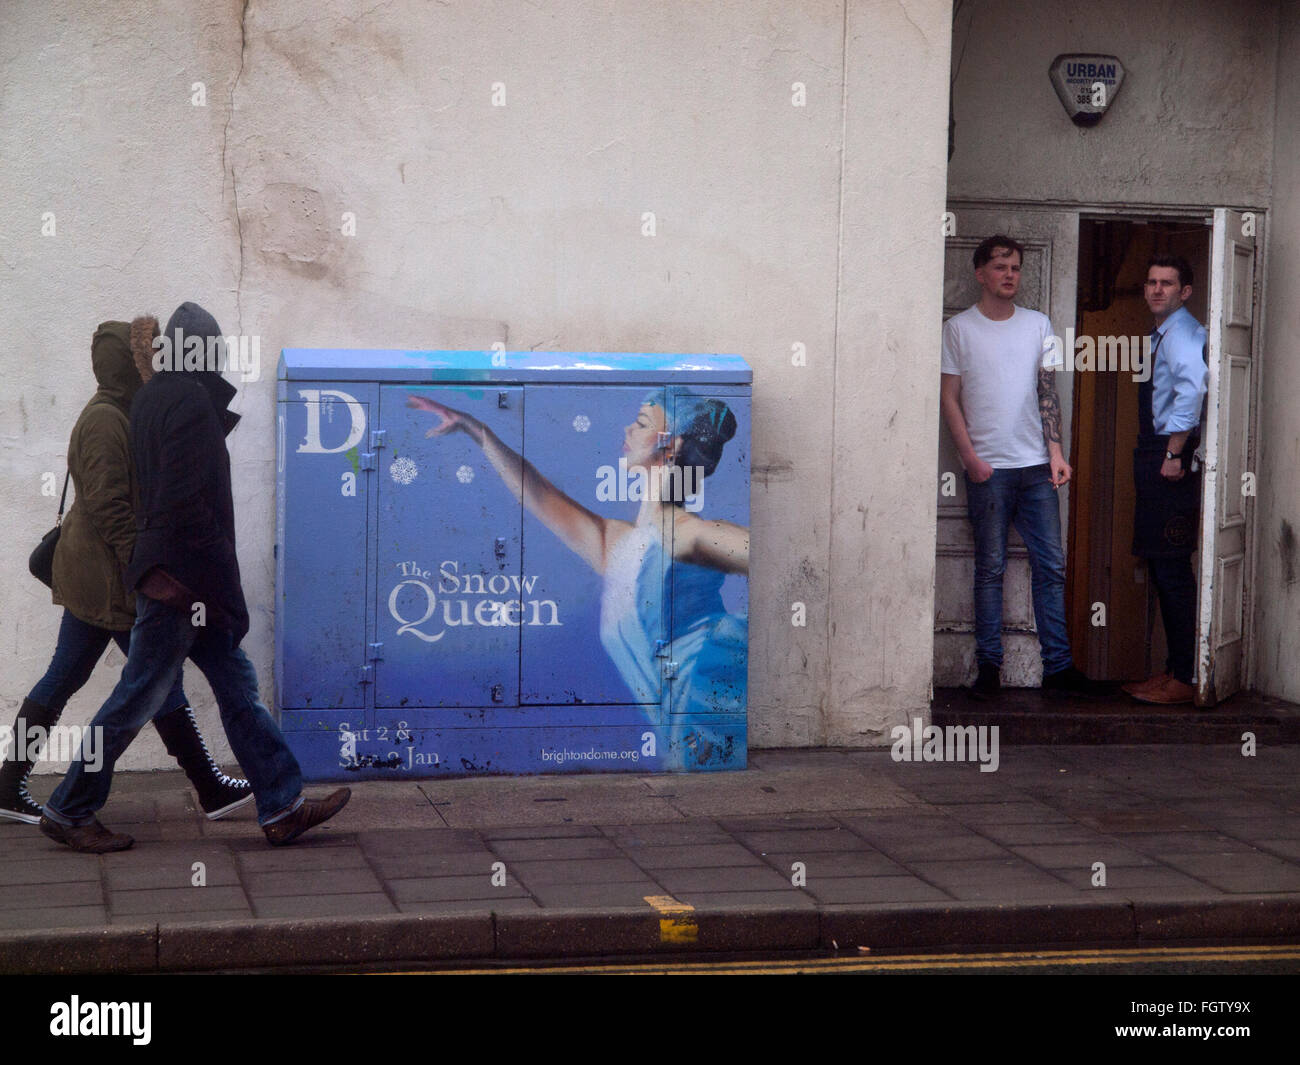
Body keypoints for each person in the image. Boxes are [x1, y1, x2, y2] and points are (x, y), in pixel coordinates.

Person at [40, 303, 349, 853]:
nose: (222, 353)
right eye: (214, 345)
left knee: (236, 686)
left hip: (177, 578)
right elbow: (188, 508)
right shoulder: (187, 402)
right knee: (137, 697)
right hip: (183, 585)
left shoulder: (156, 396)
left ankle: (281, 804)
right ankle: (69, 807)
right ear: (197, 350)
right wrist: (219, 593)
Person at [406, 388, 748, 765]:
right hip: (678, 746)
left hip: (706, 733)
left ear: (672, 444)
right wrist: (476, 429)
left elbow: (753, 551)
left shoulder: (682, 534)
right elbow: (538, 494)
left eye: (642, 423)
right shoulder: (616, 543)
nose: (628, 429)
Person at [1, 319, 251, 825]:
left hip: (102, 577)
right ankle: (207, 787)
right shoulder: (104, 421)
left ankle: (7, 784)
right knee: (153, 682)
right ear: (125, 364)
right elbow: (111, 509)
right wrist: (150, 568)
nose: (152, 364)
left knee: (71, 678)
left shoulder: (126, 412)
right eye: (144, 357)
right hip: (106, 579)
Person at [940, 234, 1099, 700]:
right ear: (980, 273)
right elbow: (948, 398)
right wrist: (969, 457)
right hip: (989, 469)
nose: (1010, 275)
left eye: (1016, 268)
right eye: (1000, 267)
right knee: (989, 568)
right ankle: (989, 667)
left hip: (1035, 468)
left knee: (1050, 567)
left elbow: (1047, 392)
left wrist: (1056, 453)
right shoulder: (959, 329)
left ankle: (1059, 667)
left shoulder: (1038, 325)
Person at [1122, 255, 1208, 705]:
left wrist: (1174, 453)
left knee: (1172, 566)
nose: (1157, 290)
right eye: (1151, 282)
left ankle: (1185, 679)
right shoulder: (1164, 334)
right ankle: (1174, 670)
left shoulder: (1184, 335)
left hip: (1168, 454)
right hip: (1156, 451)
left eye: (1167, 284)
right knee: (1159, 561)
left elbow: (1193, 390)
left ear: (1185, 291)